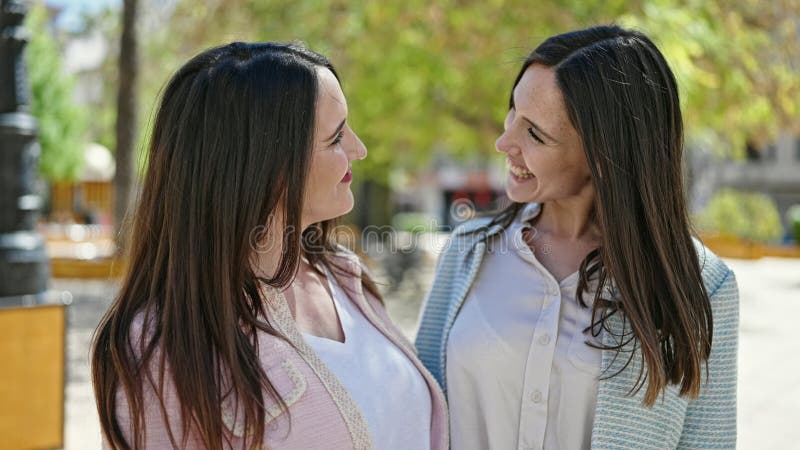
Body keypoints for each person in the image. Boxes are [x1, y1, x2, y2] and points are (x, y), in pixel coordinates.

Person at [92, 42, 447, 450]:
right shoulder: (159, 348)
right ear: (265, 167)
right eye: (335, 137)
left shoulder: (345, 275)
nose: (359, 149)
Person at [416, 25, 739, 450]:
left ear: (605, 155)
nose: (503, 142)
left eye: (535, 134)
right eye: (513, 112)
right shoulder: (468, 251)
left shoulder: (703, 286)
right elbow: (419, 414)